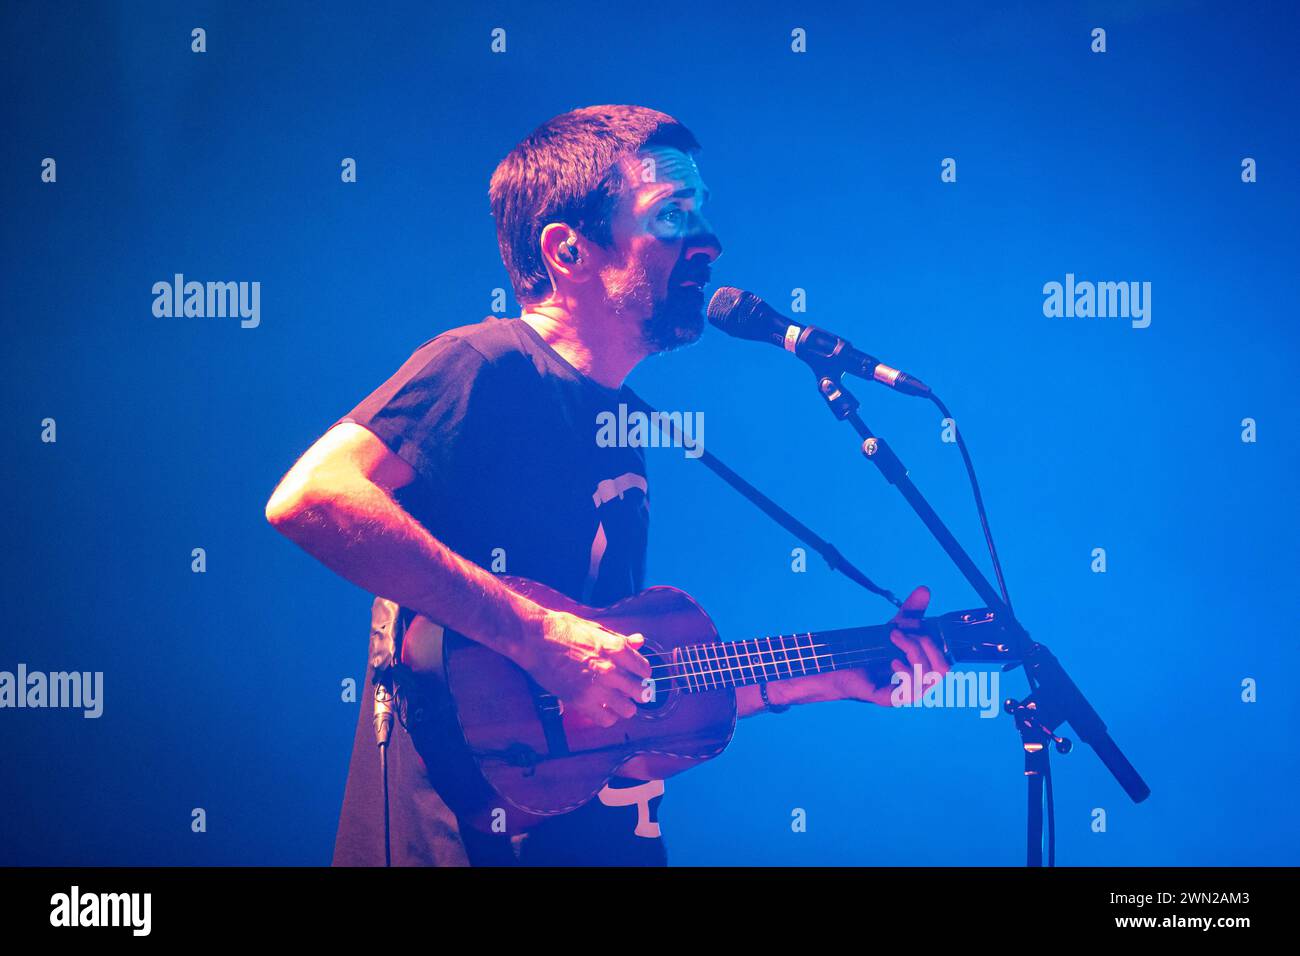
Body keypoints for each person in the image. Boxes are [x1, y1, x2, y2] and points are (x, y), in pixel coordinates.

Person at [265, 105, 948, 866]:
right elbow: (313, 496)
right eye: (672, 216)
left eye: (705, 214)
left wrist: (831, 677)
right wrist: (537, 634)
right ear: (568, 248)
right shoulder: (486, 362)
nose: (710, 242)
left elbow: (625, 694)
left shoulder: (621, 418)